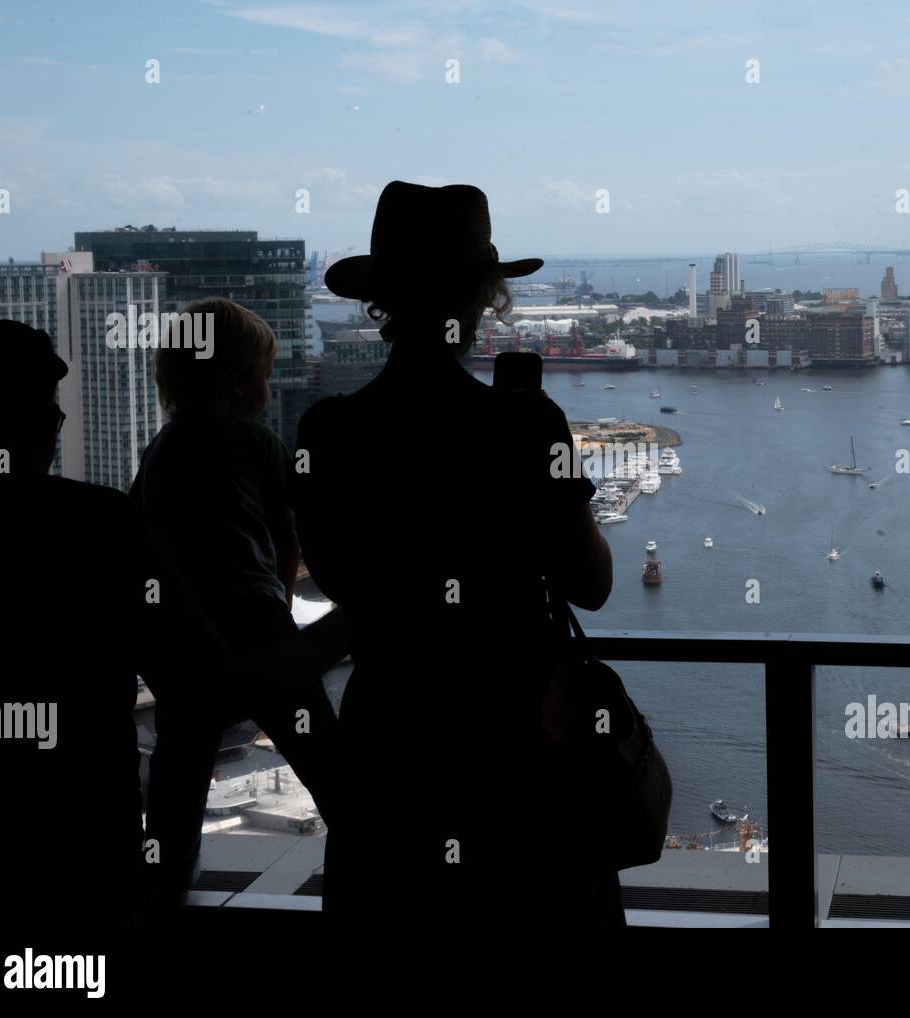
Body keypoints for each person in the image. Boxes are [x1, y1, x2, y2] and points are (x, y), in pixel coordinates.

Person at [0, 320, 348, 998]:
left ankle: (167, 891)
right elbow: (210, 670)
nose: (57, 418)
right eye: (44, 404)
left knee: (179, 766)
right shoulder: (93, 527)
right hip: (78, 854)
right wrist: (349, 624)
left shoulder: (152, 462)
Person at [293, 181, 617, 930]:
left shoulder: (330, 431)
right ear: (481, 301)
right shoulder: (527, 421)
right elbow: (591, 583)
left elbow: (339, 579)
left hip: (390, 744)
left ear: (382, 304)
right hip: (516, 746)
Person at [130, 298, 341, 905]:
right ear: (239, 381)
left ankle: (164, 893)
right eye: (266, 375)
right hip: (261, 628)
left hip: (187, 642)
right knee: (327, 763)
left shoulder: (161, 450)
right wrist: (277, 599)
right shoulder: (258, 444)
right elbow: (288, 538)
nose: (270, 389)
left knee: (179, 773)